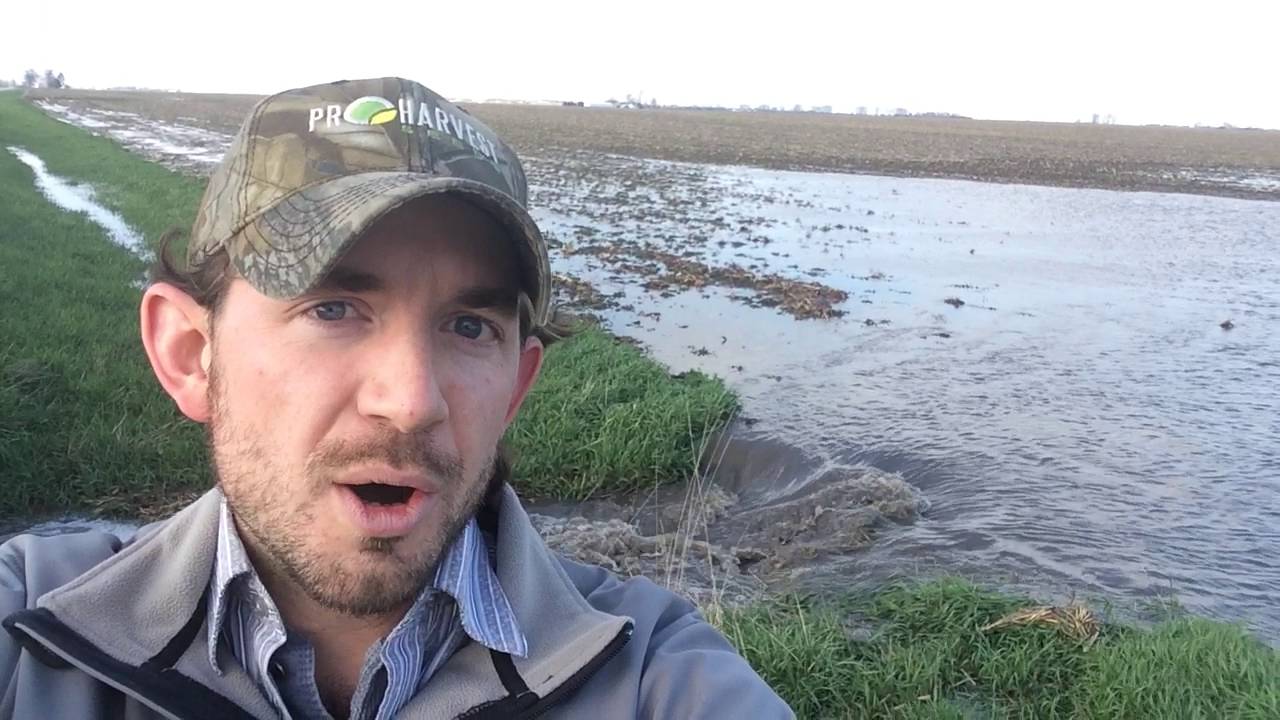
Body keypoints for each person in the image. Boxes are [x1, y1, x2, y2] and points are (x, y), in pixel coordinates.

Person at [0, 77, 794, 719]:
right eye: (332, 310)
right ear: (189, 354)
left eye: (469, 326)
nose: (411, 402)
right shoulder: (31, 626)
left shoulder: (654, 674)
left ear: (515, 388)